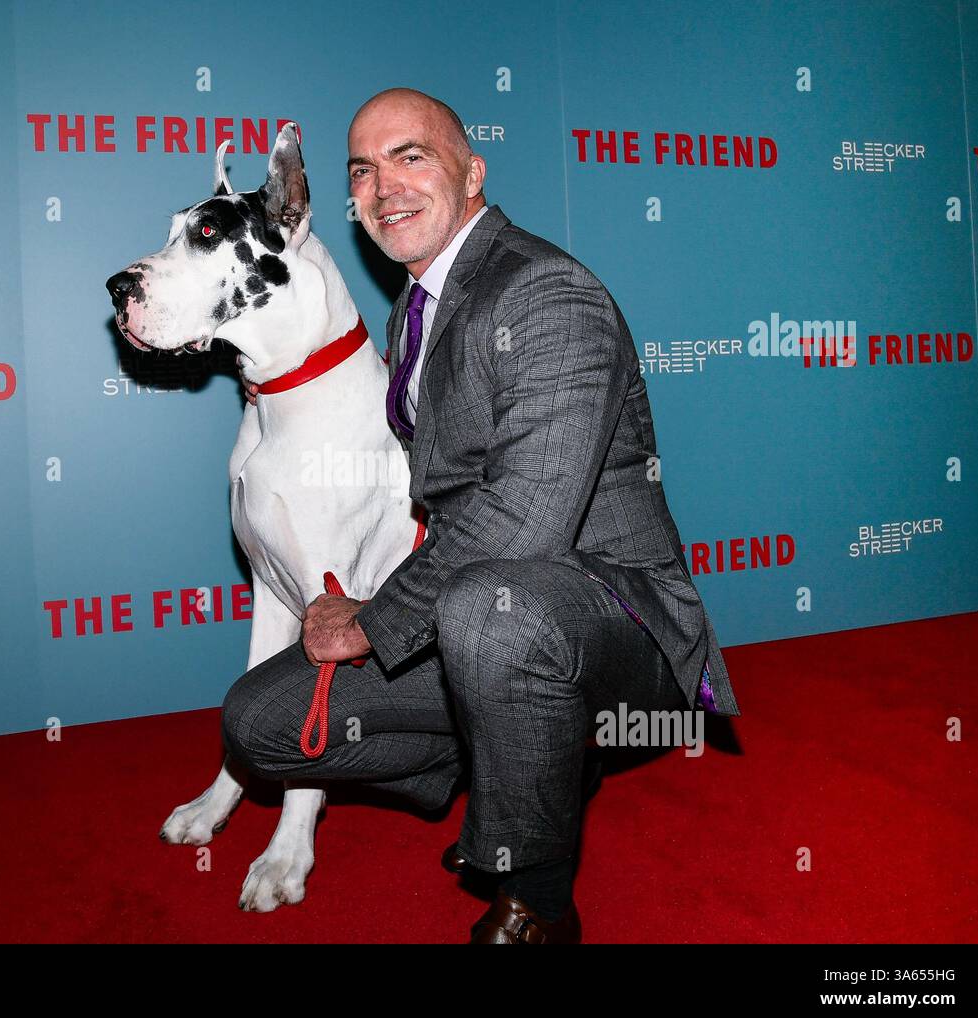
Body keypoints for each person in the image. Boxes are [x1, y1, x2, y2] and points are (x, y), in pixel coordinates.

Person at [226, 87, 740, 943]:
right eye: (363, 169)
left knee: (489, 610)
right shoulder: (413, 312)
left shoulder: (546, 291)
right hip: (485, 615)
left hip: (613, 616)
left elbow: (524, 519)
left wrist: (372, 620)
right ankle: (522, 749)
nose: (384, 184)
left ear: (473, 172)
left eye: (410, 156)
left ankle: (534, 901)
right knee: (261, 724)